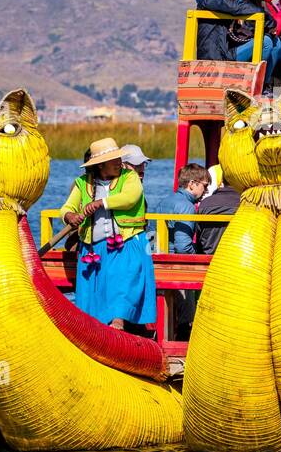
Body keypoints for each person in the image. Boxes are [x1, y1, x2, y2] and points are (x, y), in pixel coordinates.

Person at [61, 137, 157, 335]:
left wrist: (100, 203)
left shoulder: (129, 177)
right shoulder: (82, 183)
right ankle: (92, 331)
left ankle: (118, 324)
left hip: (126, 242)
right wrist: (70, 216)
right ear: (100, 165)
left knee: (122, 283)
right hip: (93, 247)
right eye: (113, 160)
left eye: (119, 159)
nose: (118, 163)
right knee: (92, 291)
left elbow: (131, 197)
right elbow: (67, 207)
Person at [195, 0, 262, 61]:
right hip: (214, 57)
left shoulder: (233, 0)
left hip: (227, 53)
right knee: (265, 43)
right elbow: (232, 7)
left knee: (267, 40)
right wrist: (263, 13)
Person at [167, 163, 210, 255]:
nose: (207, 191)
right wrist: (199, 251)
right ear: (191, 184)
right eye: (205, 186)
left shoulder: (164, 201)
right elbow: (183, 248)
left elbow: (152, 241)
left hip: (157, 259)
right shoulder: (187, 207)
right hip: (174, 263)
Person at [195, 180, 241, 256]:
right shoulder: (246, 202)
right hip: (237, 258)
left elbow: (198, 234)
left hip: (208, 256)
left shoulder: (205, 203)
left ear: (222, 182)